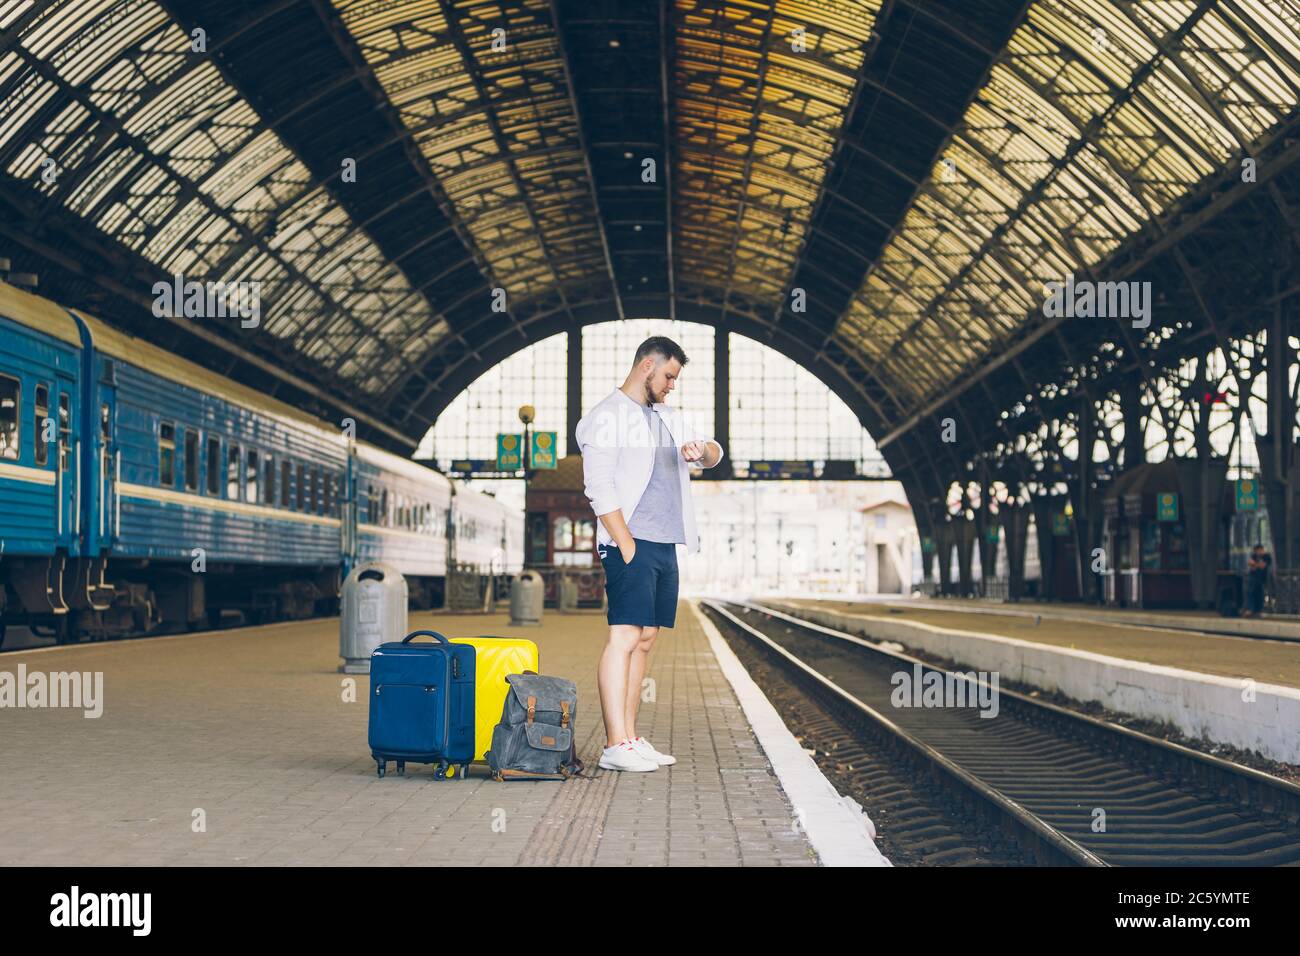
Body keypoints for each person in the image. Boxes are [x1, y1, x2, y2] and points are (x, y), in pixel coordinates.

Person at [575, 336, 725, 772]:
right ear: (647, 366)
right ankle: (613, 744)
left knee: (645, 639)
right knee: (623, 636)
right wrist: (625, 543)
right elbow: (598, 487)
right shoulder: (606, 417)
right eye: (669, 377)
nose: (672, 386)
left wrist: (702, 451)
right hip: (633, 541)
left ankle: (630, 736)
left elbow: (714, 452)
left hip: (664, 542)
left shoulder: (668, 416)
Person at [1244, 544, 1272, 617]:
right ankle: (1251, 609)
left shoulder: (1266, 556)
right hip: (1253, 577)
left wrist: (1255, 565)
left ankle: (1257, 609)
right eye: (1256, 551)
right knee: (1251, 592)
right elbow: (1250, 564)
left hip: (1262, 578)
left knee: (1259, 593)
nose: (1258, 552)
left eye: (1259, 550)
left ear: (1261, 550)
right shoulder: (1254, 556)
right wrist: (1256, 565)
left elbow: (1262, 566)